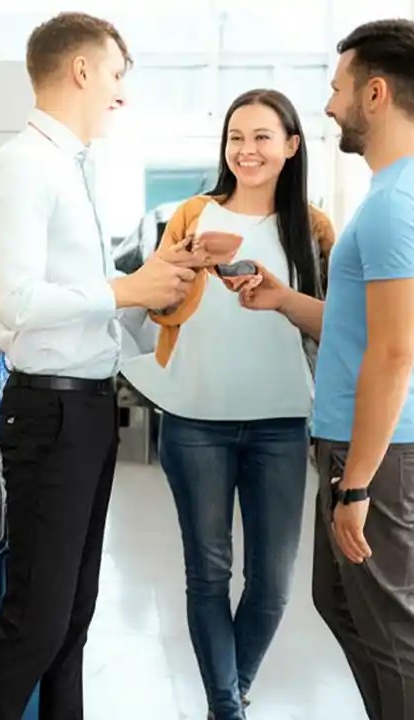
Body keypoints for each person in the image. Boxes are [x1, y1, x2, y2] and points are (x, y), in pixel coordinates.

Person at [0, 11, 199, 720]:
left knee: (71, 621)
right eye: (118, 75)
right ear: (83, 70)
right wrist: (129, 288)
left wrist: (158, 286)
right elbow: (15, 303)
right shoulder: (20, 168)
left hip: (86, 407)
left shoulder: (66, 168)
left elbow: (85, 314)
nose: (121, 93)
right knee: (35, 624)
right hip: (50, 411)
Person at [238, 19, 414, 720]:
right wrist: (282, 300)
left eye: (338, 89)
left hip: (378, 452)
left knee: (394, 627)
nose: (330, 105)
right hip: (367, 443)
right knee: (339, 602)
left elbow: (392, 355)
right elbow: (366, 327)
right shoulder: (408, 189)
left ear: (377, 92)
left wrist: (355, 483)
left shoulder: (394, 206)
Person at [129, 89, 335, 720]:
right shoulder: (191, 214)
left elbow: (338, 325)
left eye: (262, 137)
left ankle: (229, 692)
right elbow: (155, 308)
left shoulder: (316, 227)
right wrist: (179, 268)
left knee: (272, 584)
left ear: (292, 146)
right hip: (194, 418)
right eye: (236, 138)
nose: (246, 151)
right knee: (208, 576)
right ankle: (228, 706)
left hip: (279, 420)